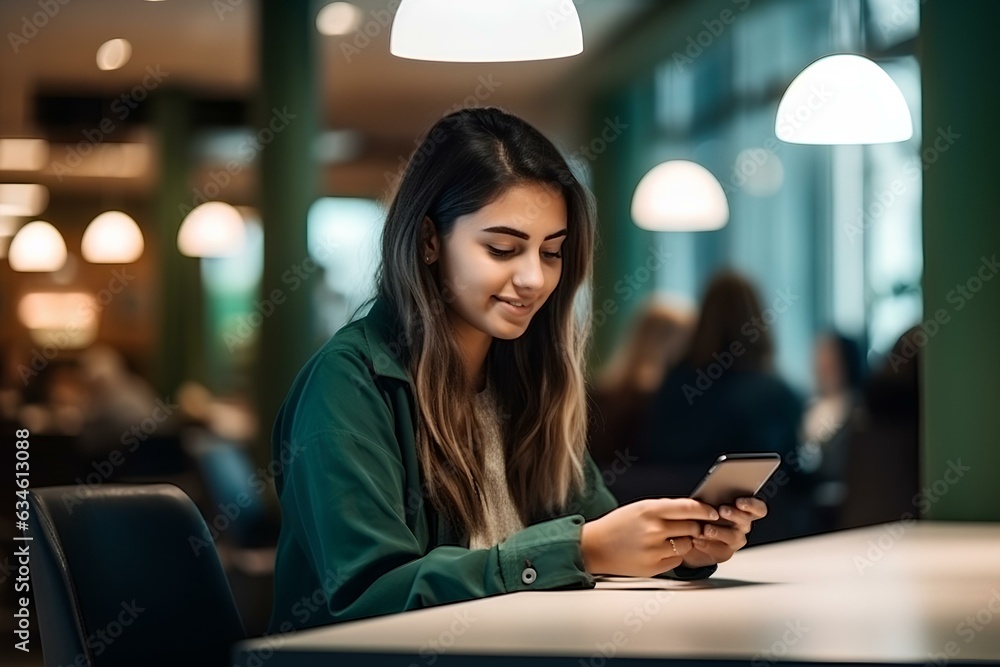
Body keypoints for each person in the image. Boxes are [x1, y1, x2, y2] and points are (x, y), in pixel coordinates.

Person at [267, 107, 767, 633]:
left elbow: (595, 537)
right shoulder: (348, 384)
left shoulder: (527, 379)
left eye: (552, 252)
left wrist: (679, 547)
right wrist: (581, 550)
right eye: (502, 248)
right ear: (429, 242)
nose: (533, 278)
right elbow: (369, 594)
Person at [635, 269, 803, 542]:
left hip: (679, 528)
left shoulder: (673, 383)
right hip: (763, 531)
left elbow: (653, 449)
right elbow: (793, 468)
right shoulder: (774, 392)